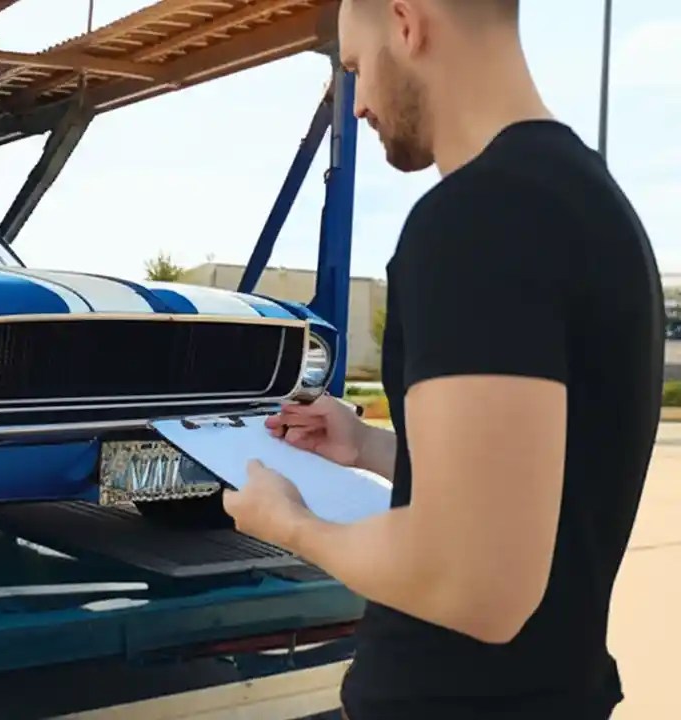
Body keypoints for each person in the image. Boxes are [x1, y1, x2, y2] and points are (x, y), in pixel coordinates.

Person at [220, 1, 665, 718]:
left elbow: (472, 582)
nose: (358, 102)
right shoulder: (594, 204)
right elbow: (544, 482)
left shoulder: (477, 218)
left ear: (406, 20)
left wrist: (292, 524)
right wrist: (366, 445)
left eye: (357, 68)